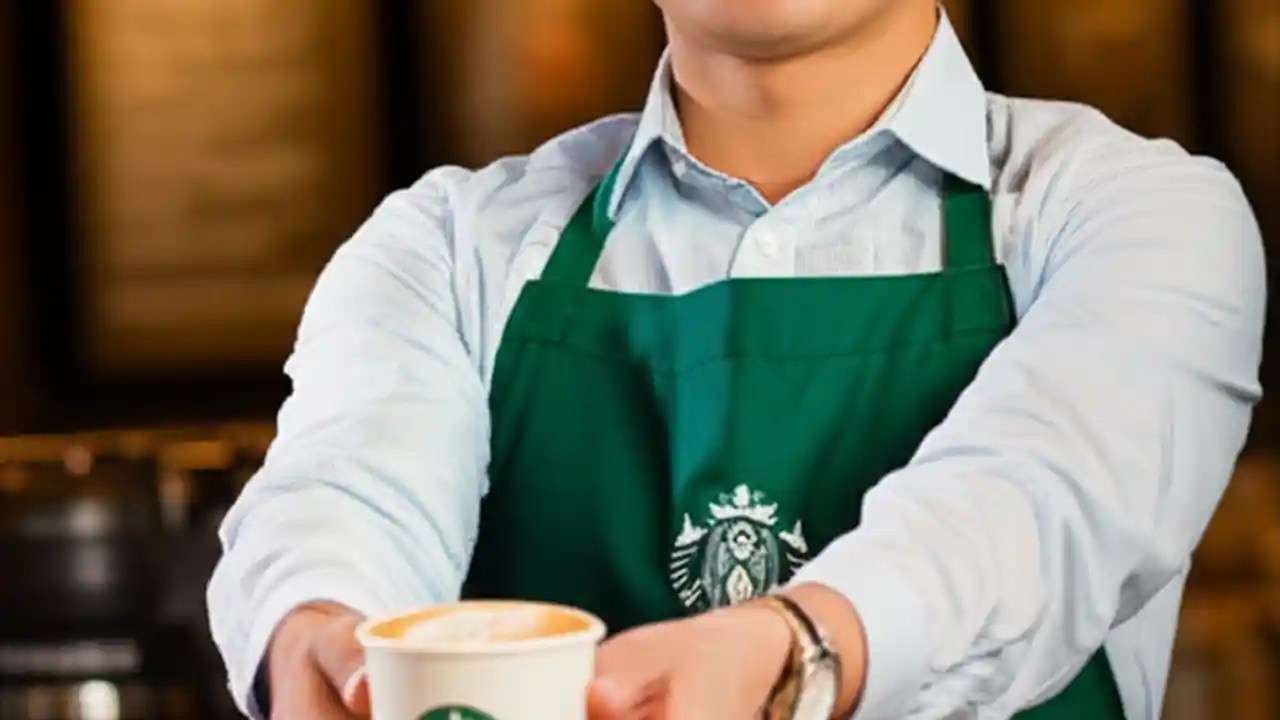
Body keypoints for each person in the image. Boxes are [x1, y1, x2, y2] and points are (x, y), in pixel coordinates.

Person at [207, 0, 1267, 718]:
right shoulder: (447, 245)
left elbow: (1039, 503)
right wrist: (315, 634)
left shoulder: (1129, 215)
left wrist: (792, 652)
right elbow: (343, 495)